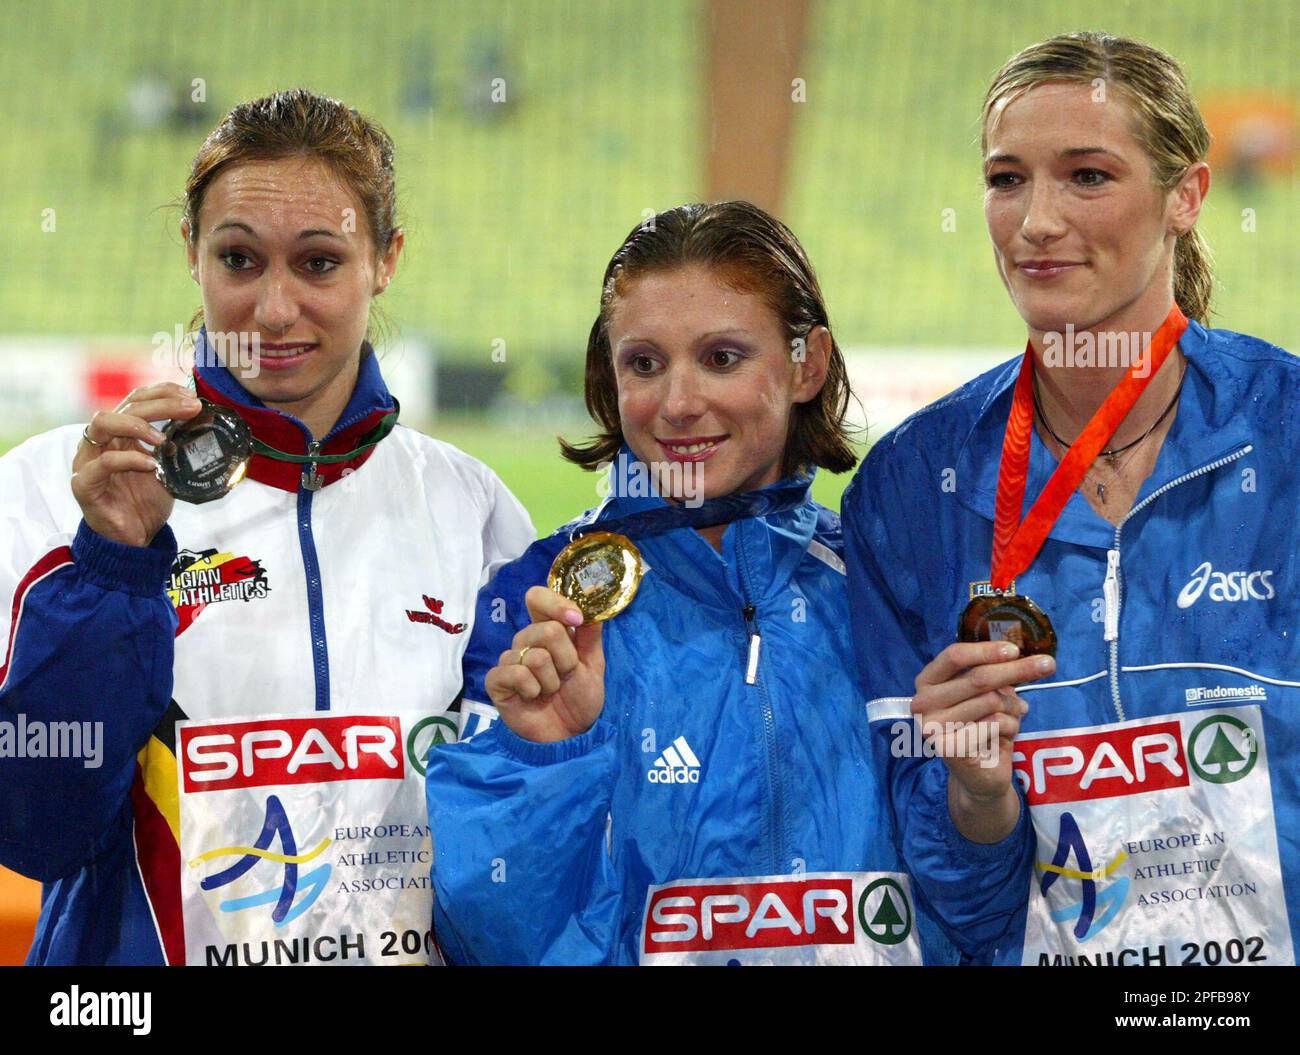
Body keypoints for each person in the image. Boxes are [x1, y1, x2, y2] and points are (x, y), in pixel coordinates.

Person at [0, 89, 534, 965]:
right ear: (192, 252)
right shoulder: (52, 490)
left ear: (386, 259)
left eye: (318, 263)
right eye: (240, 259)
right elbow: (35, 827)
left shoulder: (473, 512)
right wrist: (110, 567)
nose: (274, 310)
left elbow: (520, 846)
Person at [426, 201, 1035, 965]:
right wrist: (546, 763)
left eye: (721, 358)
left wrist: (979, 797)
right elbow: (491, 942)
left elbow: (982, 923)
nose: (679, 404)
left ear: (807, 364)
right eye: (644, 363)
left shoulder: (882, 585)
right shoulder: (541, 599)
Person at [843, 32, 1300, 966]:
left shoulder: (1286, 436)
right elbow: (942, 919)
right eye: (1006, 180)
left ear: (1187, 195)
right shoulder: (907, 490)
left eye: (1087, 176)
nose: (1036, 221)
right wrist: (974, 798)